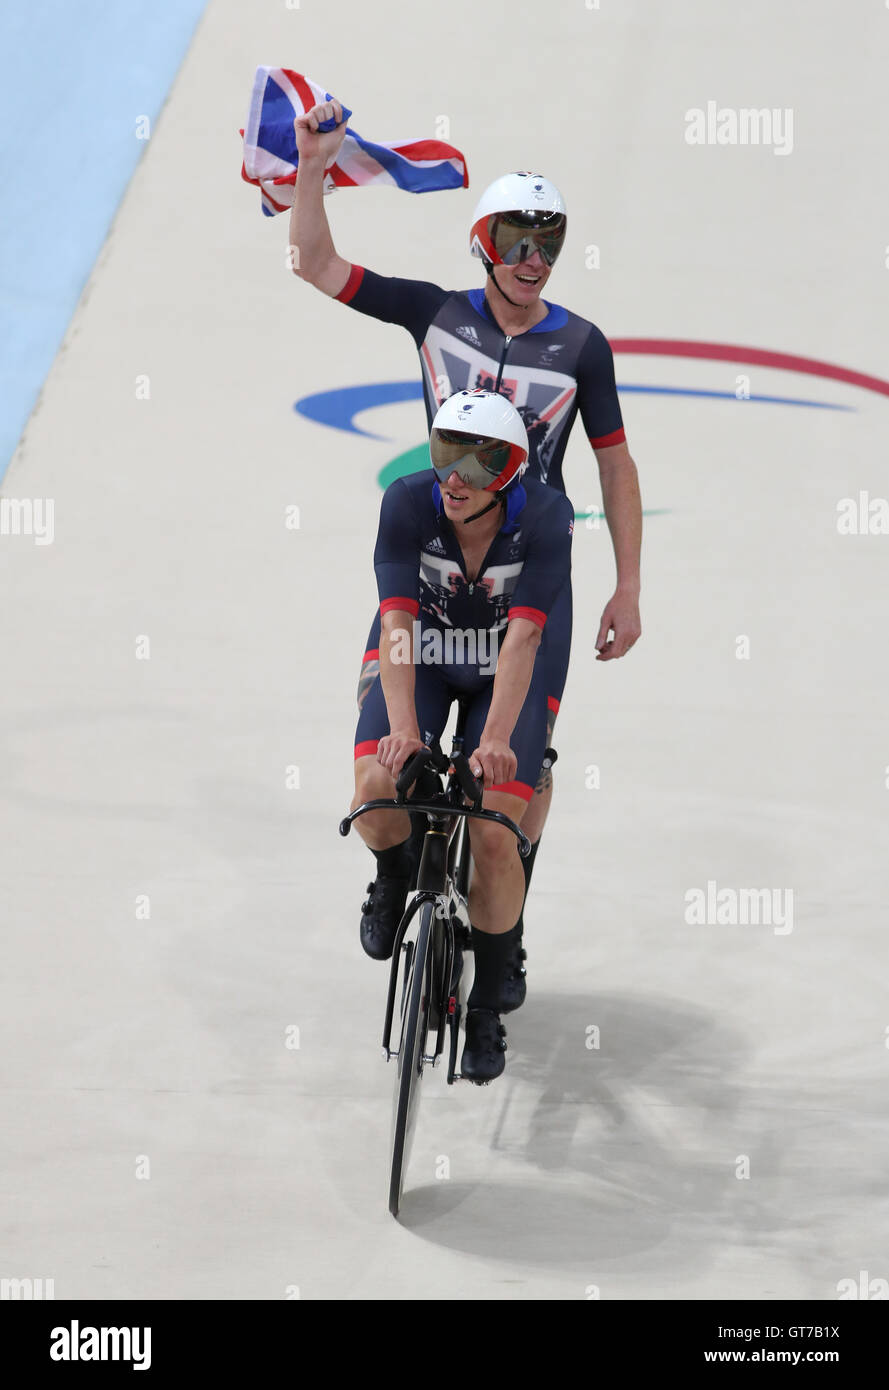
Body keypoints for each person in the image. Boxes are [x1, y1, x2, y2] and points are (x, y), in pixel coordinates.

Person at [290, 98, 642, 1006]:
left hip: (532, 573)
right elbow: (314, 264)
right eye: (515, 238)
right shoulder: (434, 316)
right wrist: (312, 164)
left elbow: (614, 466)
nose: (534, 259)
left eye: (549, 240)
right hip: (437, 564)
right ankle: (395, 865)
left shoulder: (580, 347)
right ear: (482, 243)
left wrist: (628, 585)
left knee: (497, 819)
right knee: (381, 782)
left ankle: (497, 964)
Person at [351, 388, 574, 1082]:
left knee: (490, 831)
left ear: (507, 474)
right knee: (375, 789)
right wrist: (405, 732)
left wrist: (497, 738)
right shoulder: (406, 502)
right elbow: (395, 625)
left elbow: (525, 636)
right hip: (424, 650)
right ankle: (393, 876)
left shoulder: (544, 517)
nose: (454, 476)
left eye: (477, 465)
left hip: (510, 654)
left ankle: (487, 1003)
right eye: (446, 452)